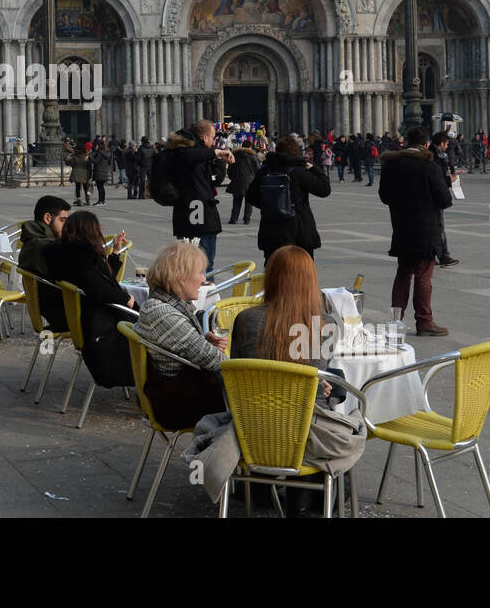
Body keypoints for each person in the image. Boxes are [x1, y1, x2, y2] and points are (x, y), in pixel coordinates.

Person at [228, 246, 363, 502]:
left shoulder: (246, 319)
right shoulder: (325, 325)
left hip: (251, 428)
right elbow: (312, 371)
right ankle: (305, 495)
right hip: (303, 431)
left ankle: (258, 488)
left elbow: (238, 370)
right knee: (337, 396)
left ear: (272, 277)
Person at [135, 242, 226, 429]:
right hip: (180, 404)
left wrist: (201, 340)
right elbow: (215, 361)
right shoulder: (164, 313)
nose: (203, 279)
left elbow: (190, 348)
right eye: (200, 272)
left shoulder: (162, 304)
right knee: (255, 406)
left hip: (176, 393)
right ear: (181, 277)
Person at [42, 211, 134, 388]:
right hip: (101, 325)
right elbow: (100, 289)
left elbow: (101, 279)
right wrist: (127, 299)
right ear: (89, 231)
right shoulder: (84, 255)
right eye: (97, 227)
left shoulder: (67, 255)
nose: (101, 230)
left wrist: (114, 252)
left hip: (81, 320)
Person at [379, 127, 452, 336]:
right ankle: (424, 321)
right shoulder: (429, 167)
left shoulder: (391, 166)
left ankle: (395, 321)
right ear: (426, 144)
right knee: (423, 276)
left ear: (405, 142)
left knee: (403, 273)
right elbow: (445, 200)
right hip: (425, 229)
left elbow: (384, 196)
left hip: (401, 227)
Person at [251, 135, 331, 264]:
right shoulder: (299, 171)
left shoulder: (264, 171)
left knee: (274, 273)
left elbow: (251, 196)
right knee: (301, 273)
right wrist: (314, 168)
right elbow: (324, 189)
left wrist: (271, 205)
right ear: (295, 151)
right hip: (298, 229)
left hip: (271, 229)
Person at [166, 120, 234, 271]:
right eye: (212, 137)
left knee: (193, 266)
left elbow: (213, 179)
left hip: (192, 216)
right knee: (204, 265)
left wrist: (219, 162)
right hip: (198, 217)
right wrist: (217, 152)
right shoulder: (186, 153)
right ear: (204, 138)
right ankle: (204, 293)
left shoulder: (198, 157)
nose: (214, 141)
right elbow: (190, 156)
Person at [18, 194, 72, 330]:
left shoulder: (32, 242)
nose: (67, 226)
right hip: (67, 315)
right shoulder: (46, 248)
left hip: (53, 311)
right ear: (48, 218)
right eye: (63, 220)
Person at [429, 132, 461, 267]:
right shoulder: (434, 156)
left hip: (435, 194)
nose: (447, 147)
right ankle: (443, 255)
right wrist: (449, 179)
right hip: (435, 195)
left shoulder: (438, 155)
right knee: (438, 225)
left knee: (434, 225)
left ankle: (432, 255)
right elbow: (435, 178)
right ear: (441, 143)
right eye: (447, 144)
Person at [226, 142, 261, 225]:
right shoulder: (253, 157)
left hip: (237, 180)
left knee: (236, 201)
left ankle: (233, 219)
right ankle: (246, 219)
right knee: (249, 202)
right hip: (250, 181)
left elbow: (230, 169)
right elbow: (258, 169)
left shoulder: (235, 155)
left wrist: (232, 177)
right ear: (250, 147)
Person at [67, 141, 92, 206]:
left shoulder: (75, 156)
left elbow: (72, 164)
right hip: (85, 173)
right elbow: (89, 166)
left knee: (78, 188)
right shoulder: (87, 156)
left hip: (77, 173)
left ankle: (79, 200)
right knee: (85, 188)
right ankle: (87, 200)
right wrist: (90, 174)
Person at [90, 139, 113, 206]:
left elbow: (96, 161)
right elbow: (108, 162)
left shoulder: (99, 153)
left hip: (99, 172)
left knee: (100, 187)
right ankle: (102, 201)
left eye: (97, 145)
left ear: (99, 145)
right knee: (102, 187)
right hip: (104, 172)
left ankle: (100, 201)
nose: (96, 146)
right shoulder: (106, 153)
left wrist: (90, 157)